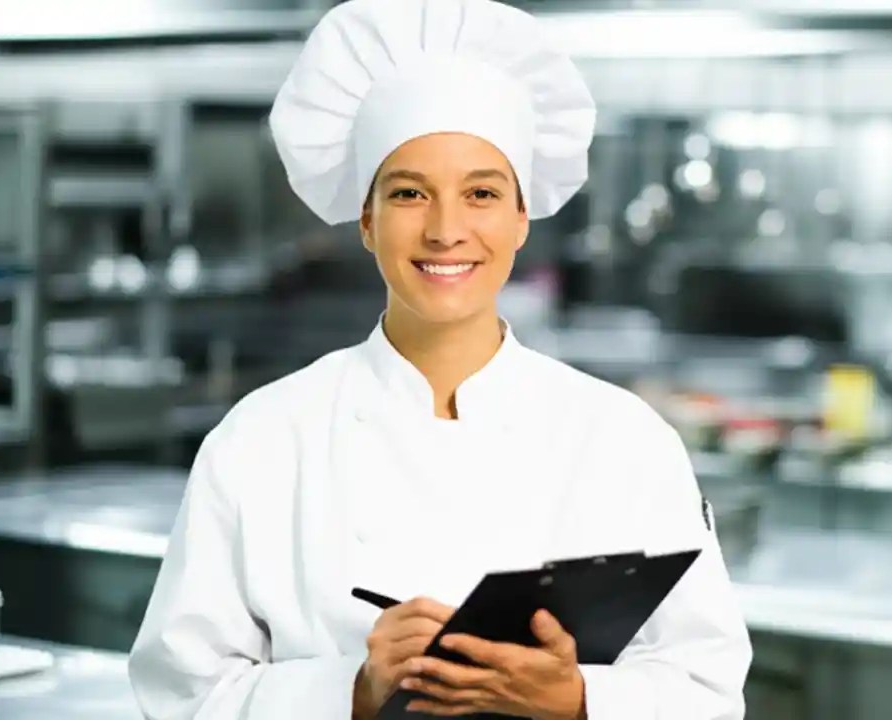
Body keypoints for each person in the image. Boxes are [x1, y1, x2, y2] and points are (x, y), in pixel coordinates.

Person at [126, 0, 753, 717]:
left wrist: (577, 700)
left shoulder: (623, 439)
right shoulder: (263, 439)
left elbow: (707, 690)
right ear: (367, 220)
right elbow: (180, 696)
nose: (446, 230)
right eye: (409, 193)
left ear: (522, 217)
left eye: (481, 193)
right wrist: (352, 691)